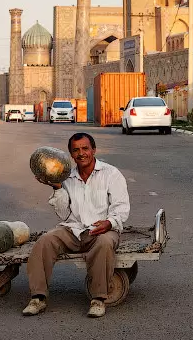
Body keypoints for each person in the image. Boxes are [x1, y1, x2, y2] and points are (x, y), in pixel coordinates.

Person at [23, 132, 130, 318]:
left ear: (94, 150)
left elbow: (121, 208)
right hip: (74, 229)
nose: (81, 153)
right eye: (76, 150)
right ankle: (37, 298)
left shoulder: (111, 174)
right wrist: (56, 187)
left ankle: (98, 299)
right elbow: (64, 214)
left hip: (103, 229)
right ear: (71, 155)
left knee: (104, 244)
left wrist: (109, 222)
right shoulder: (66, 177)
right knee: (45, 242)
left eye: (85, 148)